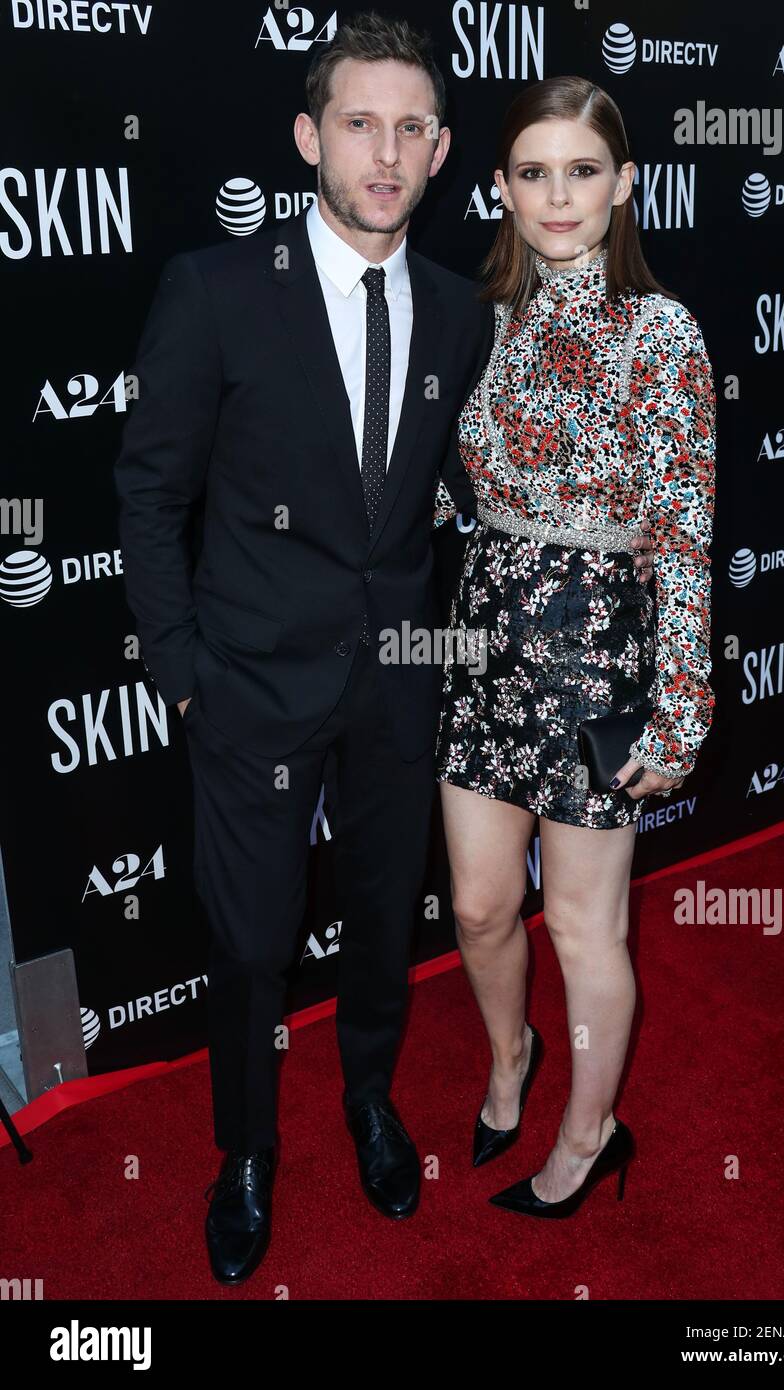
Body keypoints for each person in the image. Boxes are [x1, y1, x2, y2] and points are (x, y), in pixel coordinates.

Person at [114, 15, 656, 1283]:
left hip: (401, 684)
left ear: (441, 151)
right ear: (311, 138)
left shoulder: (464, 314)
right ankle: (244, 1155)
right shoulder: (214, 291)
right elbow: (147, 497)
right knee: (249, 946)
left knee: (375, 924)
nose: (385, 149)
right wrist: (185, 678)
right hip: (245, 686)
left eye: (411, 126)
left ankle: (369, 1102)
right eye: (359, 121)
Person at [434, 76, 716, 1218]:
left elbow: (685, 529)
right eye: (533, 172)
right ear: (499, 187)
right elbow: (455, 486)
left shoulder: (658, 330)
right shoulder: (474, 317)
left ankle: (589, 1131)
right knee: (477, 905)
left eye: (582, 171)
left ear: (624, 183)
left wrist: (680, 702)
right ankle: (510, 1057)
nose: (557, 196)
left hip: (599, 651)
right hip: (483, 635)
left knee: (579, 923)